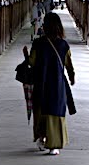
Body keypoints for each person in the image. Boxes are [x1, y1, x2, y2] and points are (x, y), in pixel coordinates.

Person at [27, 12, 76, 155]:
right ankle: (54, 144)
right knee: (55, 112)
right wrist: (72, 77)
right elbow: (68, 64)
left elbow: (32, 62)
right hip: (57, 84)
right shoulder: (63, 45)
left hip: (41, 82)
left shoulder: (38, 43)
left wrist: (26, 55)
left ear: (45, 26)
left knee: (41, 110)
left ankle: (41, 138)